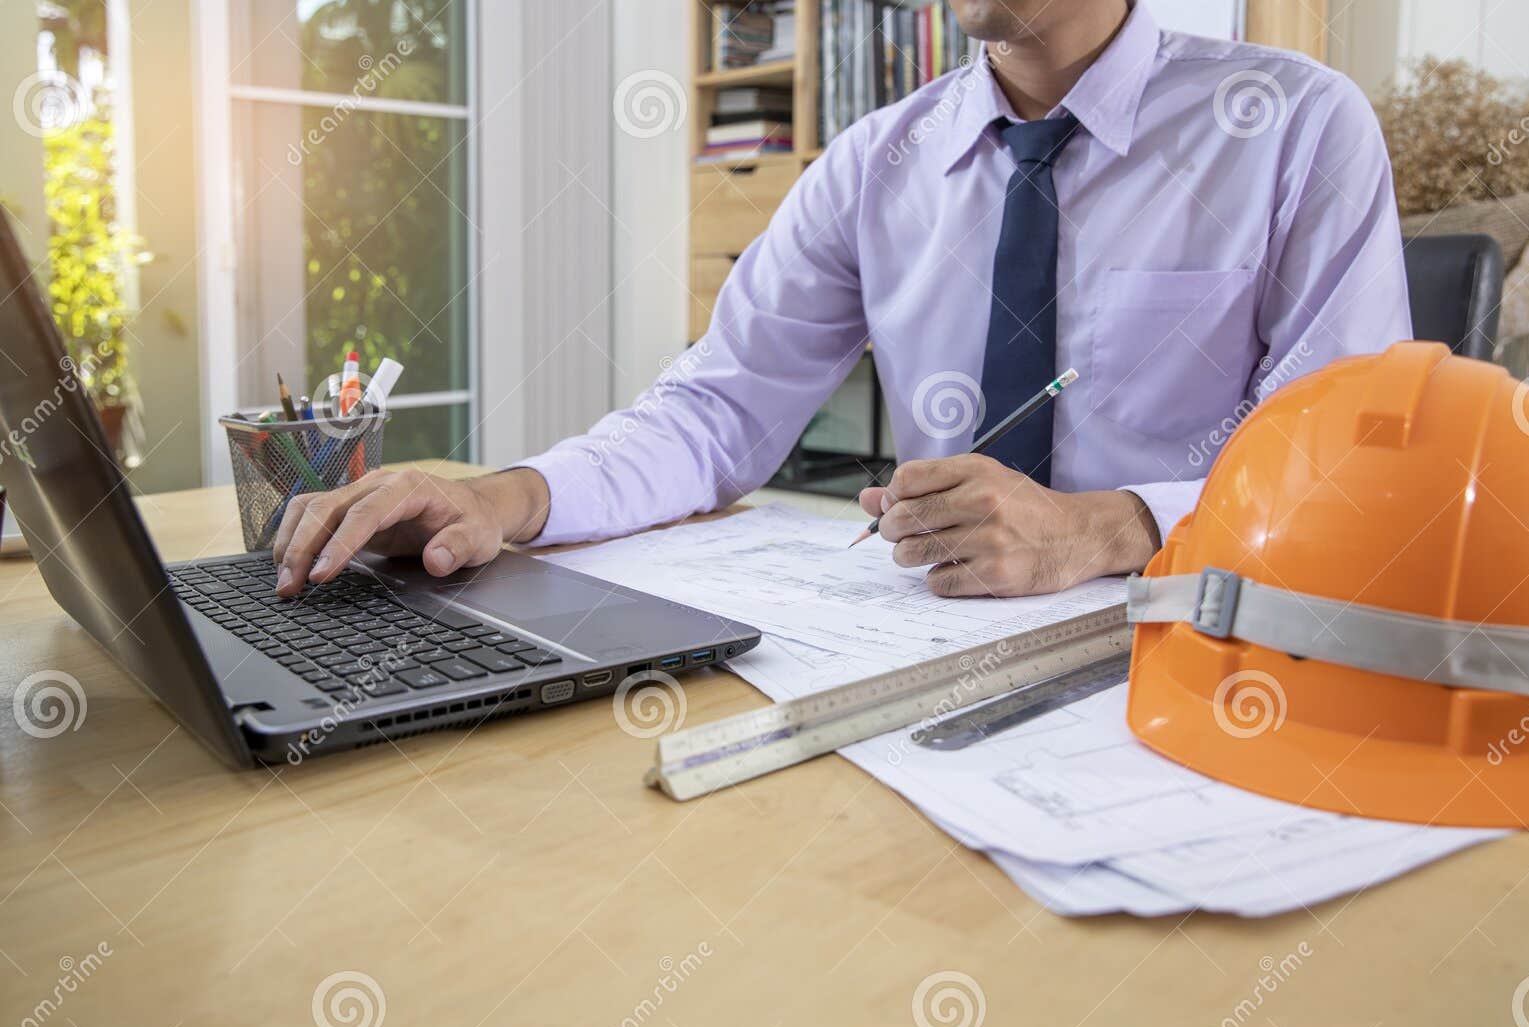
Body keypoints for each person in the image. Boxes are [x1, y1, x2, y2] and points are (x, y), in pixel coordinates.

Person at [274, 0, 1411, 600]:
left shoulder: (1297, 130)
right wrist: (508, 495)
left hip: (1200, 645)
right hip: (933, 659)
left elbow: (1343, 476)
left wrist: (1104, 529)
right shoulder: (876, 163)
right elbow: (713, 414)